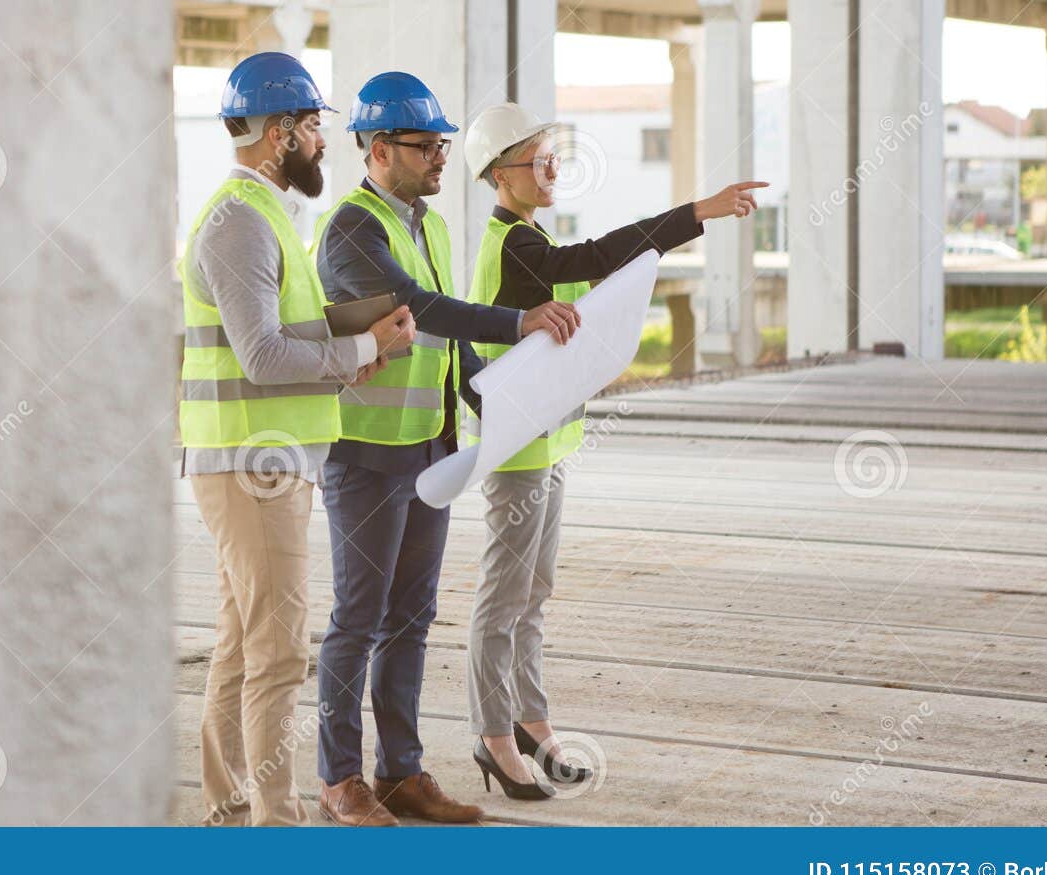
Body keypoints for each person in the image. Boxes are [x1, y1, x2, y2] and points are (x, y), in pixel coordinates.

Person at [459, 102, 766, 799]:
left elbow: (587, 275)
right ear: (501, 175)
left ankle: (531, 720)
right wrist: (696, 211)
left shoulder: (527, 237)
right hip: (516, 453)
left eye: (552, 154)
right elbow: (596, 256)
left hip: (546, 439)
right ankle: (492, 731)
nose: (552, 167)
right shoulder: (513, 245)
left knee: (532, 593)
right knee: (502, 599)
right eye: (538, 159)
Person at [312, 73, 582, 826]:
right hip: (365, 454)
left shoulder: (427, 224)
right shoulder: (351, 230)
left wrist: (488, 414)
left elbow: (447, 338)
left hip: (428, 450)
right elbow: (420, 308)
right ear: (375, 149)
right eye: (424, 145)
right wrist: (519, 319)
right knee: (358, 618)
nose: (439, 156)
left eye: (441, 144)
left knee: (411, 615)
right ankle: (339, 777)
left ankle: (401, 772)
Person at [180, 52, 414, 826]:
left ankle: (228, 807)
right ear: (279, 131)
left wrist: (362, 333)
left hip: (262, 459)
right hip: (255, 463)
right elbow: (262, 355)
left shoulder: (267, 213)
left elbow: (284, 331)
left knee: (244, 642)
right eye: (314, 126)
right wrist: (357, 352)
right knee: (279, 654)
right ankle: (274, 826)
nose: (322, 141)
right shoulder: (240, 222)